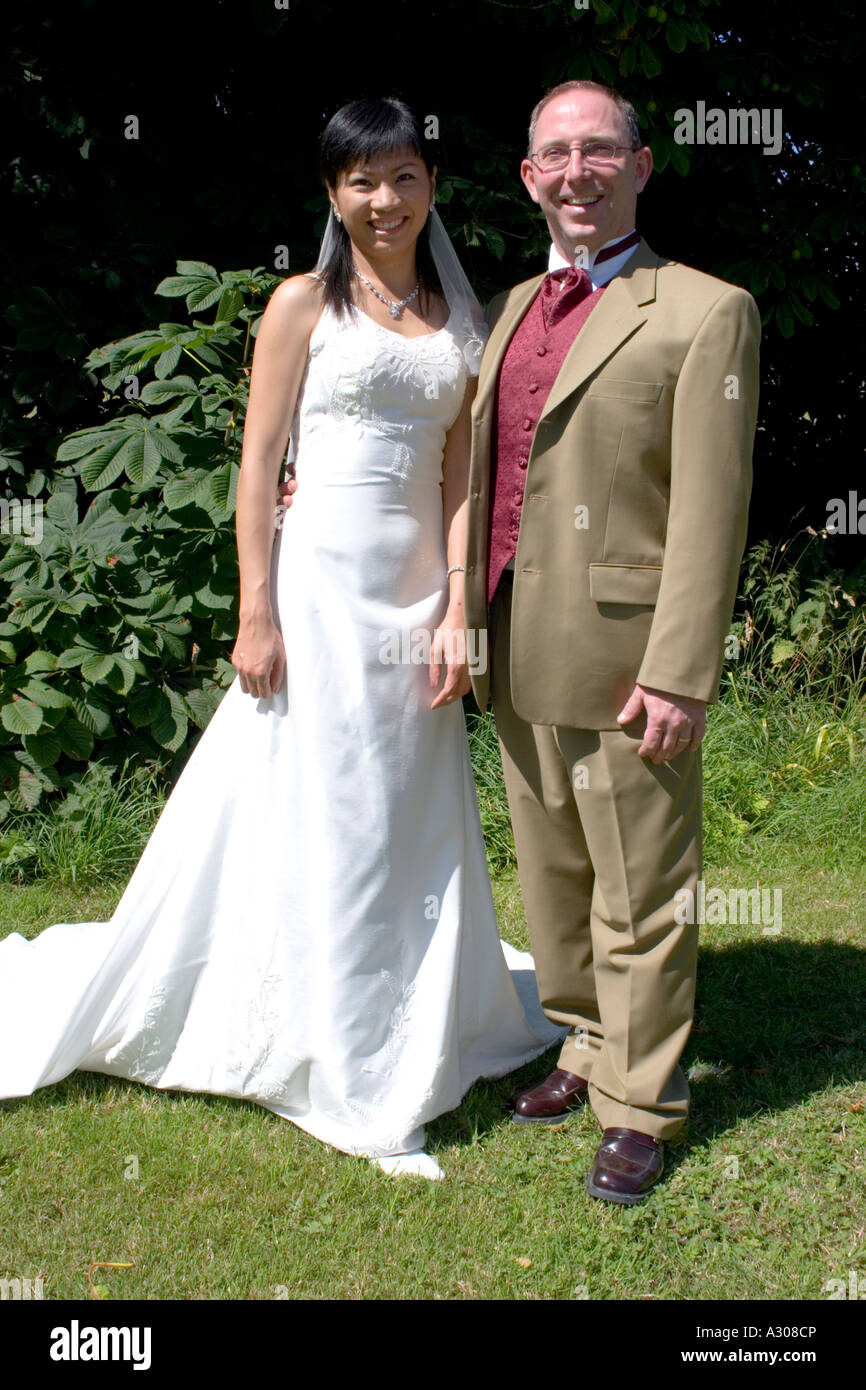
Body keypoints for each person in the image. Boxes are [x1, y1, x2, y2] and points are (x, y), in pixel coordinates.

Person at [0, 97, 560, 1181]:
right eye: (360, 180)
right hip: (316, 588)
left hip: (414, 595)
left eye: (402, 176)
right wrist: (255, 606)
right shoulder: (301, 303)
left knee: (404, 798)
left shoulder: (458, 321)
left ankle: (411, 996)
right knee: (333, 795)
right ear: (331, 194)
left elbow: (461, 476)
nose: (383, 199)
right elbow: (259, 464)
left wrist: (458, 607)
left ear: (428, 185)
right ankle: (349, 1055)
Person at [461, 81, 761, 1203]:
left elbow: (708, 506)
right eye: (555, 153)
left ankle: (641, 1101)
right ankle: (582, 1042)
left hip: (632, 658)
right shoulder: (506, 309)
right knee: (552, 874)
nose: (576, 170)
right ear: (530, 177)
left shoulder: (701, 308)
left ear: (639, 167)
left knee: (640, 885)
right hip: (513, 640)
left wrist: (681, 669)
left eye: (600, 150)